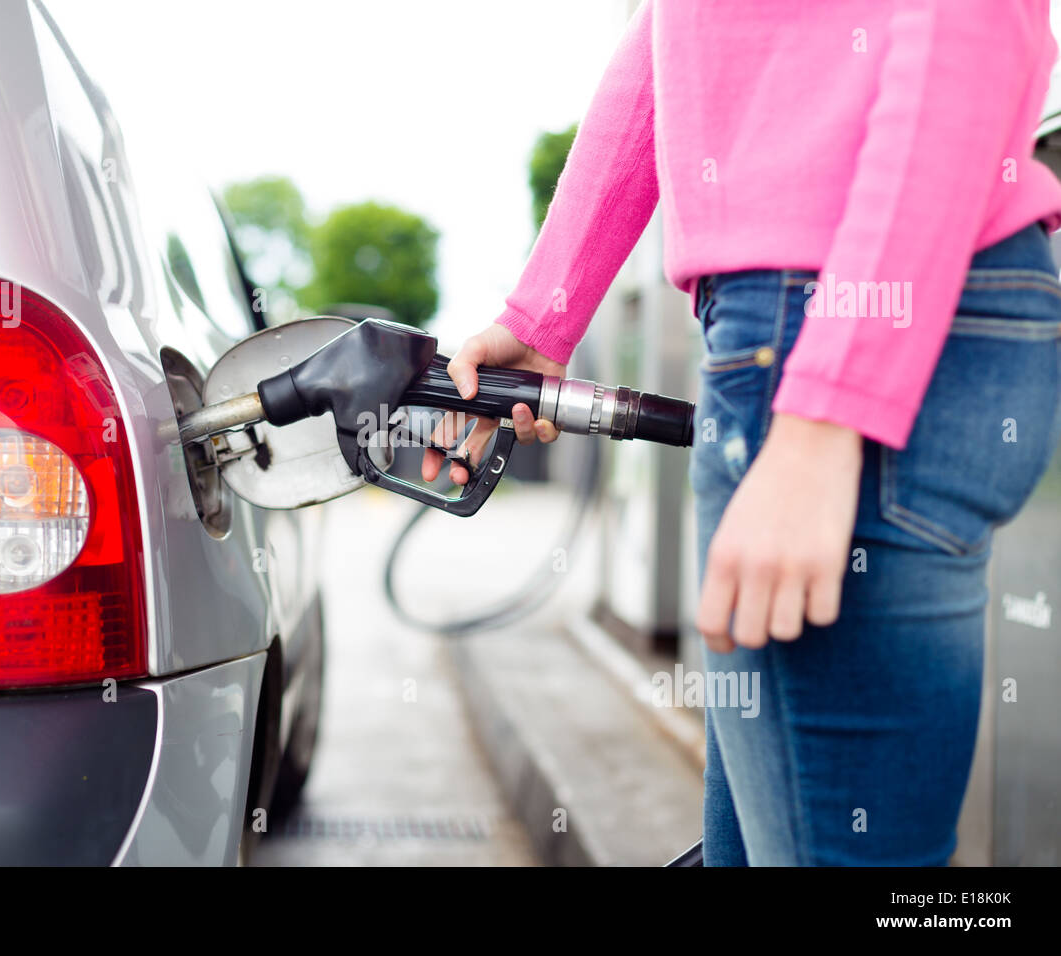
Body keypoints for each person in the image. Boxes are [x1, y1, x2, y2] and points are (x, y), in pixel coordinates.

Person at [422, 0, 1061, 865]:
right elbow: (674, 35)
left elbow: (973, 21)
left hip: (838, 300)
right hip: (810, 313)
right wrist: (545, 315)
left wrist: (830, 407)